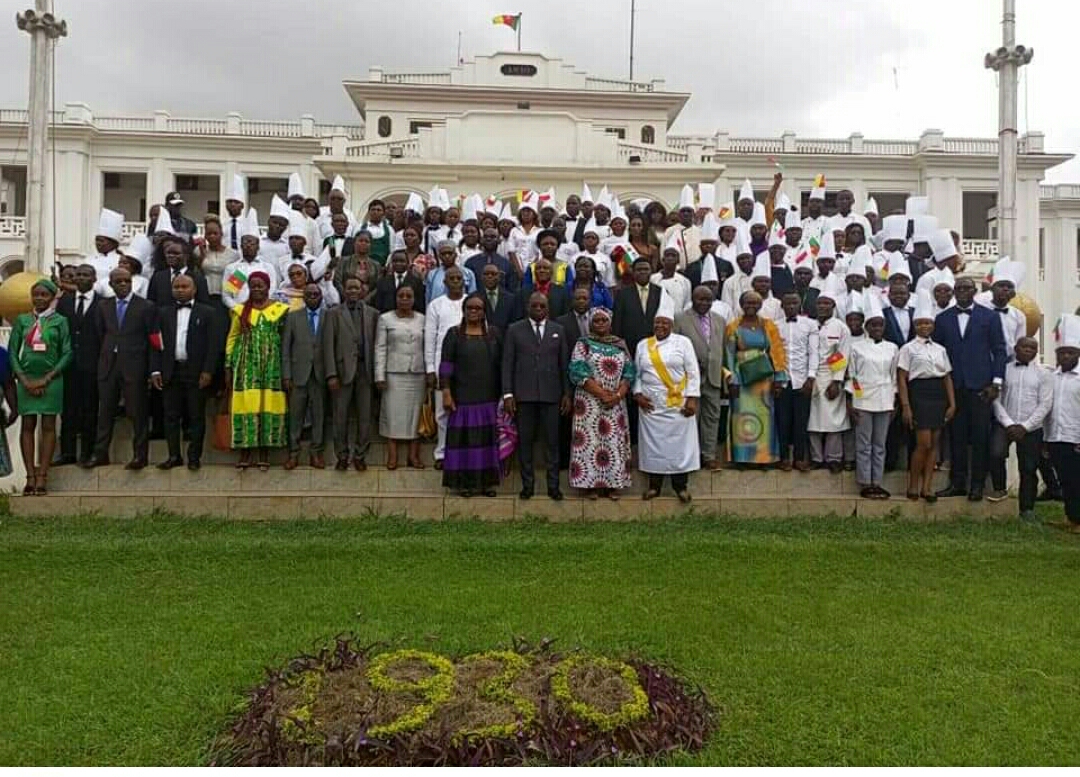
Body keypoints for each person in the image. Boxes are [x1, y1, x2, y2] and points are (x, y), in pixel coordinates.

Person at [932, 276, 1007, 501]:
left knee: (980, 438)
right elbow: (937, 352)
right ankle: (957, 483)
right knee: (957, 437)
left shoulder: (990, 317)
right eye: (959, 288)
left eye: (967, 288)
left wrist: (996, 383)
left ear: (974, 291)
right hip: (954, 388)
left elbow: (1000, 350)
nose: (963, 292)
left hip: (981, 387)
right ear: (954, 292)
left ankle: (977, 485)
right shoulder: (942, 318)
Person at [85, 267, 159, 470]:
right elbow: (101, 334)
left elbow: (152, 340)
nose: (123, 285)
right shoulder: (103, 306)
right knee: (105, 411)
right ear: (111, 284)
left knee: (137, 411)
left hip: (134, 365)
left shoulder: (146, 306)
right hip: (109, 364)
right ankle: (100, 453)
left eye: (127, 281)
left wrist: (152, 370)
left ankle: (140, 455)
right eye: (119, 282)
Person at [502, 292, 571, 500]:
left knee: (552, 442)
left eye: (542, 306)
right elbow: (507, 364)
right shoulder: (514, 330)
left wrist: (567, 393)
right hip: (524, 396)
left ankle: (553, 486)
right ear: (528, 307)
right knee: (526, 442)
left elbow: (564, 364)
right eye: (535, 306)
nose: (538, 309)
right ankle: (527, 485)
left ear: (548, 308)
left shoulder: (558, 330)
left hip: (552, 396)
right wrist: (507, 394)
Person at [150, 274, 222, 471]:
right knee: (170, 416)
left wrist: (208, 371)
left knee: (196, 416)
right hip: (170, 370)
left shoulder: (208, 312)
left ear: (194, 289)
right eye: (176, 287)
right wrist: (155, 370)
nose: (180, 290)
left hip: (196, 371)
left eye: (184, 286)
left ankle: (194, 456)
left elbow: (213, 345)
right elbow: (155, 344)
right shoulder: (162, 313)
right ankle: (174, 455)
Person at [634, 294, 700, 502]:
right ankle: (655, 487)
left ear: (671, 324)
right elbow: (636, 373)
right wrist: (637, 394)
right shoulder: (643, 345)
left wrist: (692, 398)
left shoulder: (683, 343)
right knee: (654, 446)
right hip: (651, 405)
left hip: (677, 403)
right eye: (657, 322)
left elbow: (693, 372)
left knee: (679, 447)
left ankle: (680, 487)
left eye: (664, 322)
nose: (660, 326)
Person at [9, 279, 71, 494]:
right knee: (27, 425)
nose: (39, 298)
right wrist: (24, 379)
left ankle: (43, 476)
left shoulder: (60, 321)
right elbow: (12, 352)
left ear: (52, 297)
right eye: (36, 294)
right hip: (26, 380)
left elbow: (67, 352)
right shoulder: (23, 320)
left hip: (51, 380)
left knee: (48, 426)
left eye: (44, 295)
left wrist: (47, 378)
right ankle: (30, 476)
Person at [439, 292, 504, 496]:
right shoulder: (454, 334)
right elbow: (446, 365)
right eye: (470, 308)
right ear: (464, 310)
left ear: (484, 312)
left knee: (485, 443)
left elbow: (501, 365)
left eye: (478, 308)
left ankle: (485, 484)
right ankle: (464, 484)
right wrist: (447, 392)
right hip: (462, 398)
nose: (473, 311)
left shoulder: (493, 334)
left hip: (487, 397)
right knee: (464, 443)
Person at [568, 307, 634, 499]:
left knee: (613, 441)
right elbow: (577, 370)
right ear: (590, 323)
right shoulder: (583, 344)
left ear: (610, 322)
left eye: (604, 320)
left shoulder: (620, 344)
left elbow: (630, 372)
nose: (600, 324)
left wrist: (618, 395)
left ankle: (613, 485)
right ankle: (591, 486)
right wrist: (602, 394)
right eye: (596, 321)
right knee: (591, 442)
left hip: (616, 403)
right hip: (589, 402)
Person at [225, 271, 289, 470]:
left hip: (272, 365)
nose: (257, 289)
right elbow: (233, 337)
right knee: (247, 405)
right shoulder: (239, 310)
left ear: (268, 287)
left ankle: (264, 452)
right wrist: (228, 363)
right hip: (246, 365)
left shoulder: (281, 310)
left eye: (260, 285)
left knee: (268, 405)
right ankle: (245, 452)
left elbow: (285, 337)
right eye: (253, 286)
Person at [897, 290, 956, 502]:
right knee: (923, 443)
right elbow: (902, 378)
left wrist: (952, 403)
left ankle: (928, 487)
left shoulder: (940, 349)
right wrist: (906, 405)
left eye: (928, 323)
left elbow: (947, 376)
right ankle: (913, 484)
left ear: (933, 326)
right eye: (920, 323)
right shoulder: (907, 349)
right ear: (915, 326)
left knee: (935, 444)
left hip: (938, 395)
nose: (924, 327)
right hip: (919, 394)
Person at [987, 336, 1052, 519]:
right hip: (1004, 423)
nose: (1028, 351)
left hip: (1031, 427)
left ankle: (1027, 508)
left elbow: (1045, 404)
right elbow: (996, 399)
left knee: (1029, 467)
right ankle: (1000, 489)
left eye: (1032, 348)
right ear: (1016, 348)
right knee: (995, 453)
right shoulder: (1004, 370)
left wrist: (1025, 426)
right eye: (1024, 347)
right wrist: (1008, 423)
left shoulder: (1044, 374)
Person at [725, 290, 788, 467]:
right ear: (741, 304)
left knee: (765, 416)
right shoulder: (733, 326)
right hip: (741, 379)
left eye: (755, 303)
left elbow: (777, 352)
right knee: (742, 417)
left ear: (761, 305)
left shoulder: (768, 325)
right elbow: (728, 355)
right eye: (747, 303)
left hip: (764, 379)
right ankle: (743, 458)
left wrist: (778, 378)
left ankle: (764, 457)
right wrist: (731, 380)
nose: (751, 306)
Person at [845, 292, 898, 498]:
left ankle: (877, 481)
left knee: (880, 444)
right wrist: (853, 402)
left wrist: (893, 403)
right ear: (866, 327)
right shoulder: (856, 348)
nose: (877, 328)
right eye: (873, 325)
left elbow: (893, 378)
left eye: (880, 325)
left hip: (885, 400)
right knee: (864, 444)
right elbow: (852, 376)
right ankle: (865, 482)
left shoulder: (892, 348)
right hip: (863, 400)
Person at [324, 276, 378, 472]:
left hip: (366, 372)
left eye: (357, 288)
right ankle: (342, 455)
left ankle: (360, 455)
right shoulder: (333, 314)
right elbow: (328, 345)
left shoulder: (373, 314)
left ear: (363, 290)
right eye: (349, 288)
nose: (353, 291)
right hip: (342, 372)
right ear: (344, 291)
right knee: (340, 416)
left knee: (365, 417)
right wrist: (331, 374)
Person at [675, 285, 727, 470]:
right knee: (690, 418)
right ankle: (691, 455)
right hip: (689, 379)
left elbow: (722, 348)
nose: (704, 303)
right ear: (692, 299)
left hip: (713, 377)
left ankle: (709, 455)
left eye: (708, 300)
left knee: (712, 417)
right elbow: (674, 348)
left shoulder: (720, 320)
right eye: (700, 299)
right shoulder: (680, 318)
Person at [375, 285, 427, 470]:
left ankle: (413, 456)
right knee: (392, 414)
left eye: (409, 296)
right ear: (396, 298)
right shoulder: (385, 318)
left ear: (414, 299)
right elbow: (380, 348)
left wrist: (429, 372)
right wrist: (379, 375)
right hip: (393, 373)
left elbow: (426, 347)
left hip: (417, 373)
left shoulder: (422, 319)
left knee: (415, 415)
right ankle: (392, 456)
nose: (405, 299)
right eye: (401, 296)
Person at [55, 264, 101, 466]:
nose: (81, 278)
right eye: (78, 275)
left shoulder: (103, 303)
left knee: (89, 409)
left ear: (94, 278)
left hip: (92, 364)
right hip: (68, 364)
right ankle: (67, 453)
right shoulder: (64, 302)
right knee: (68, 410)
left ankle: (87, 452)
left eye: (85, 275)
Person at [281, 282, 329, 470]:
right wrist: (286, 375)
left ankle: (316, 453)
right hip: (298, 374)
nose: (312, 297)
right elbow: (285, 348)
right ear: (303, 297)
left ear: (321, 297)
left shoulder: (329, 317)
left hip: (320, 374)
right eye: (308, 294)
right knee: (295, 416)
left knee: (319, 416)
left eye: (316, 294)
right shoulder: (293, 317)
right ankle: (293, 453)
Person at [807, 275, 852, 473]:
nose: (823, 306)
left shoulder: (841, 328)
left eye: (827, 303)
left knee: (833, 420)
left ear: (833, 305)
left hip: (831, 377)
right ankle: (816, 458)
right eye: (820, 303)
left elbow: (842, 354)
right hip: (810, 377)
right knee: (812, 420)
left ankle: (834, 458)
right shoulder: (808, 324)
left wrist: (836, 381)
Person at [1045, 315, 1080, 532]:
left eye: (1071, 353)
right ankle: (1071, 516)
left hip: (1075, 437)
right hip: (1055, 436)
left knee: (1078, 480)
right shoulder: (1051, 376)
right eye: (1062, 353)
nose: (1065, 356)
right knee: (1065, 479)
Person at [775, 291, 817, 471]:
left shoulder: (810, 324)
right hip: (782, 380)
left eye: (794, 303)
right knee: (782, 420)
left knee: (801, 421)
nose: (791, 307)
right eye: (787, 304)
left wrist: (811, 377)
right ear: (782, 306)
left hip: (802, 380)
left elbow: (813, 352)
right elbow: (773, 354)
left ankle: (799, 458)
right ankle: (783, 457)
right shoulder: (775, 326)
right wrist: (775, 379)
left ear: (800, 305)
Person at [222, 211, 280, 311]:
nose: (248, 245)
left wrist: (260, 308)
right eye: (245, 242)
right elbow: (227, 296)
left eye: (252, 243)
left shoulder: (267, 267)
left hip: (263, 312)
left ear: (258, 246)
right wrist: (239, 309)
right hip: (238, 313)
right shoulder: (233, 268)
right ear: (240, 246)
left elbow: (272, 291)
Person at [148, 236, 210, 305]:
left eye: (176, 253)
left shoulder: (198, 278)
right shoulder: (158, 277)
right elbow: (151, 302)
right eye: (168, 253)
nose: (171, 256)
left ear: (186, 256)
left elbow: (203, 305)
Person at [196, 216, 239, 303]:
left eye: (215, 233)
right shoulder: (198, 251)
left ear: (221, 234)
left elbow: (238, 278)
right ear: (205, 235)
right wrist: (202, 255)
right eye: (209, 233)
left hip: (225, 298)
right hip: (204, 297)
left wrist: (231, 299)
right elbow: (196, 272)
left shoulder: (234, 254)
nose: (212, 236)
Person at [373, 250, 426, 314]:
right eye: (395, 261)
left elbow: (420, 305)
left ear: (408, 263)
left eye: (402, 261)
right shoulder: (383, 282)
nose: (398, 263)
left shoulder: (417, 282)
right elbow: (378, 304)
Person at [427, 239, 477, 304]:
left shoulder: (468, 273)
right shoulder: (432, 274)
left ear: (455, 255)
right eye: (443, 254)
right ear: (439, 256)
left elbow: (472, 296)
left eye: (450, 253)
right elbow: (428, 297)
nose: (447, 256)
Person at [465, 227, 515, 291]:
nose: (488, 239)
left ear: (499, 240)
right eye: (485, 237)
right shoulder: (471, 262)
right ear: (481, 240)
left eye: (492, 237)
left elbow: (511, 290)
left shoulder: (507, 264)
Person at [652, 240, 693, 313]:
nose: (670, 258)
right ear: (663, 259)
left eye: (673, 256)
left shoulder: (685, 281)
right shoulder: (653, 279)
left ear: (678, 260)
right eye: (667, 255)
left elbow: (687, 304)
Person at [481, 263, 519, 331]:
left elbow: (515, 323)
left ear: (499, 277)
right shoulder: (475, 298)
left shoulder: (511, 299)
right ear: (481, 277)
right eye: (486, 274)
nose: (490, 276)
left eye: (493, 274)